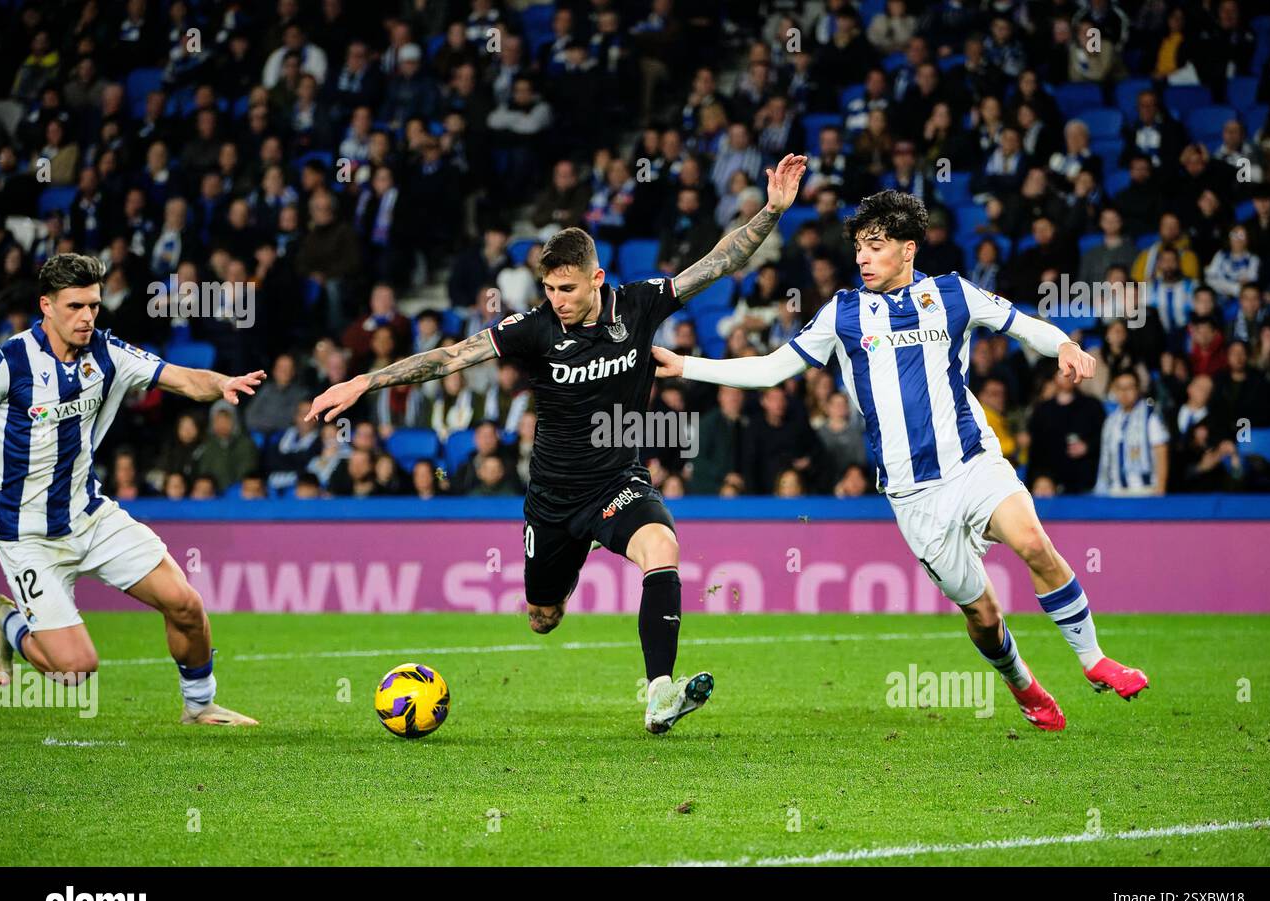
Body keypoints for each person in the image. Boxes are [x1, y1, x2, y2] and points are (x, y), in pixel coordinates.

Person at [310, 154, 808, 734]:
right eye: (548, 288)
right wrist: (364, 381)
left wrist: (772, 210)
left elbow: (719, 263)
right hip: (551, 498)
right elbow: (450, 357)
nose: (557, 299)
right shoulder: (533, 327)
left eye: (567, 288)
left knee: (662, 548)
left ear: (597, 278)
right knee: (543, 618)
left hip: (618, 482)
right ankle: (564, 577)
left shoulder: (641, 303)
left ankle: (659, 693)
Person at [652, 190, 1148, 732]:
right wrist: (687, 365)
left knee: (1033, 542)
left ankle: (1093, 658)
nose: (863, 258)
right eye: (859, 248)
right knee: (982, 615)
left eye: (876, 246)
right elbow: (772, 370)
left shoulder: (953, 294)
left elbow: (1022, 324)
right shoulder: (842, 313)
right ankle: (1023, 685)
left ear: (908, 249)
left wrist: (1065, 347)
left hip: (972, 462)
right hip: (914, 495)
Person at [0, 254, 263, 725]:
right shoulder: (9, 362)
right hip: (27, 536)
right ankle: (5, 620)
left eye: (94, 306)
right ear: (47, 306)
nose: (87, 317)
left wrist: (223, 383)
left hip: (91, 516)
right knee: (75, 671)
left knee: (185, 603)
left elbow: (179, 377)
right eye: (76, 306)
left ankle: (199, 706)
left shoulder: (107, 352)